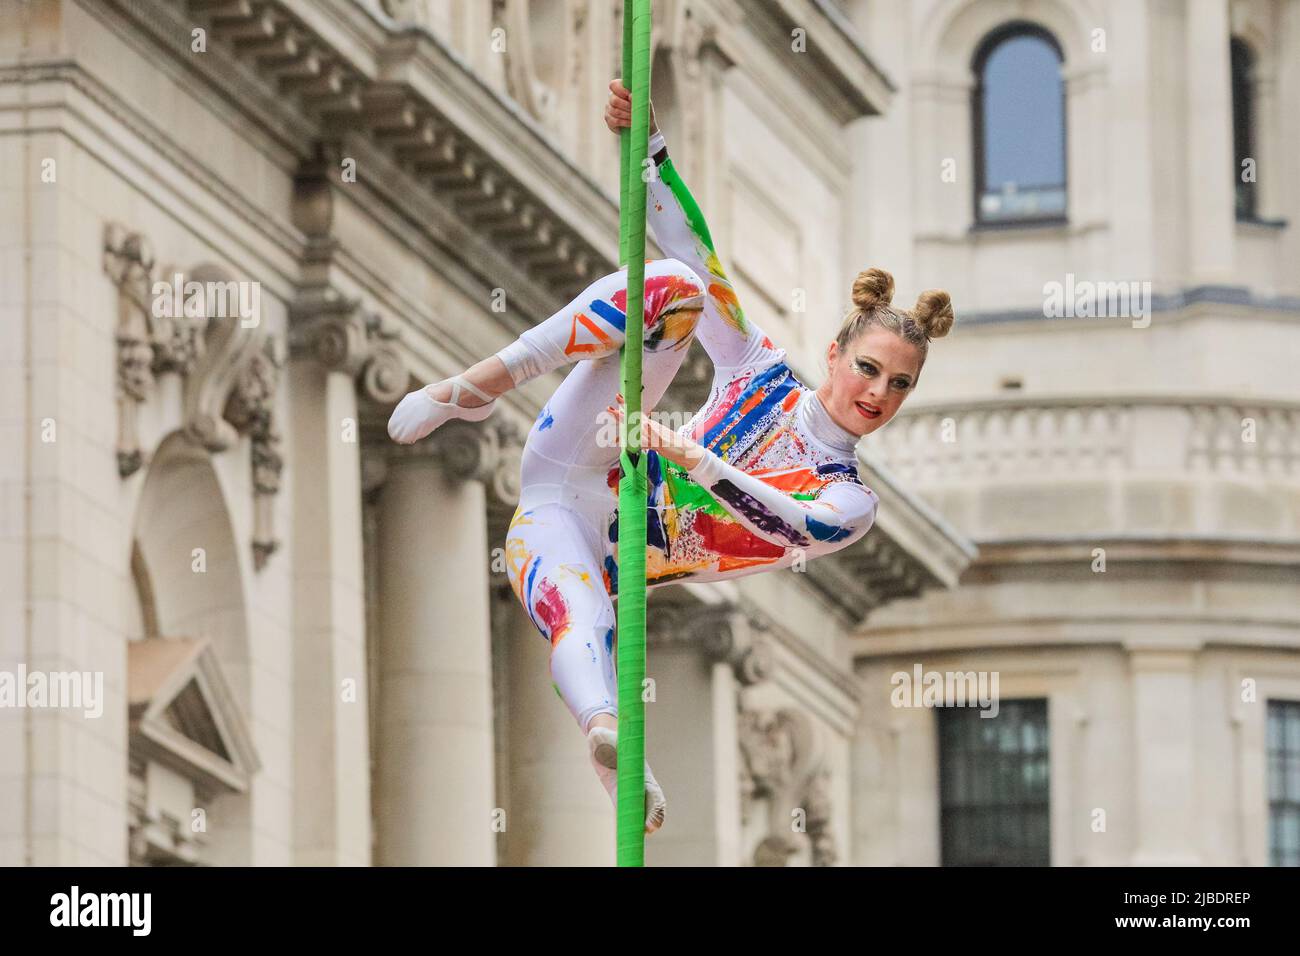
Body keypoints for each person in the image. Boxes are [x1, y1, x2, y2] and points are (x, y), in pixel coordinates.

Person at [387, 79, 955, 836]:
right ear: (835, 353)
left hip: (601, 547)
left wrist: (699, 461)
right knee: (680, 289)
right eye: (869, 369)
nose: (878, 393)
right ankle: (480, 384)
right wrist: (649, 150)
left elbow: (788, 522)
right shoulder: (760, 371)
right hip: (577, 467)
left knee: (581, 619)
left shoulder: (848, 500)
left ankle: (610, 748)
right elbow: (694, 252)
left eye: (899, 385)